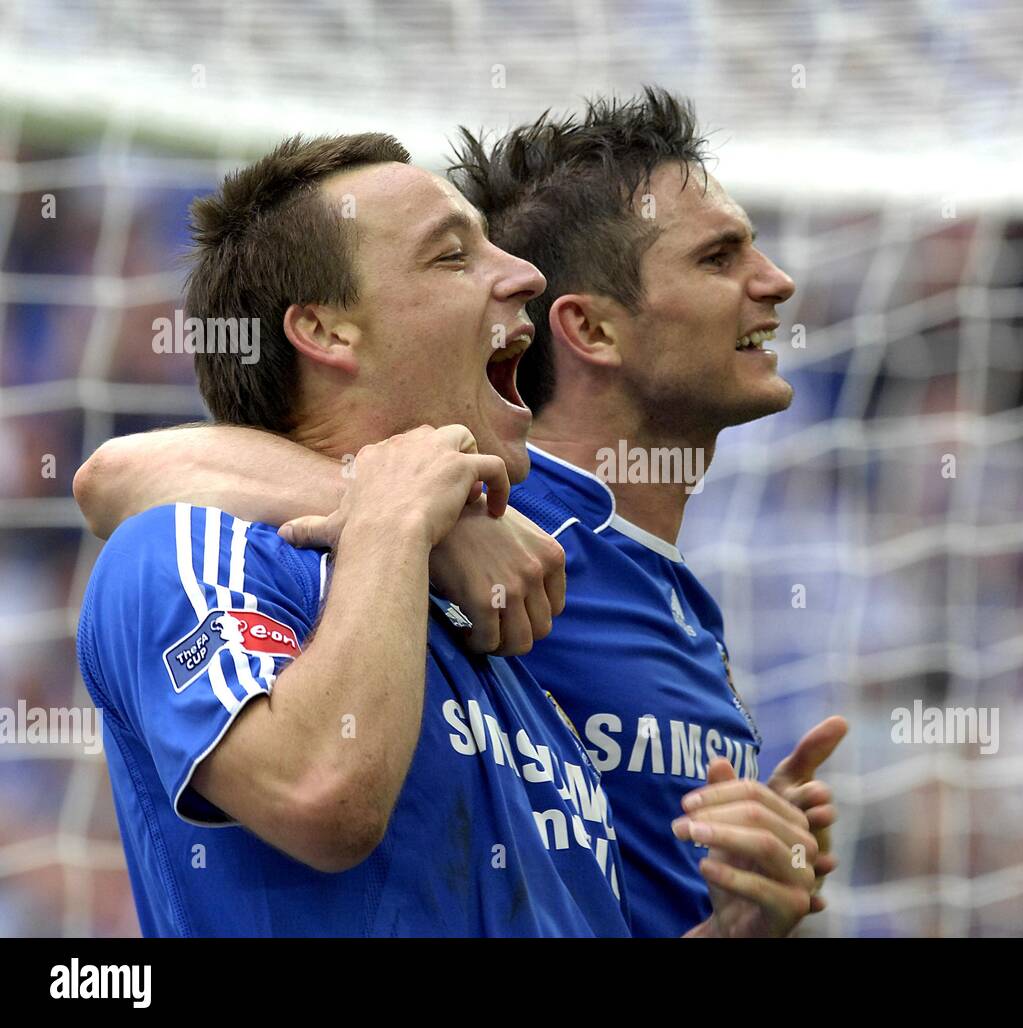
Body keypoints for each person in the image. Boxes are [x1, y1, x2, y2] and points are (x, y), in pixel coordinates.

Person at [76, 92, 846, 937]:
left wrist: (739, 926)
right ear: (326, 331)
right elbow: (320, 794)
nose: (523, 273)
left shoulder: (509, 663)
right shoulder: (209, 548)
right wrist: (398, 510)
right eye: (452, 257)